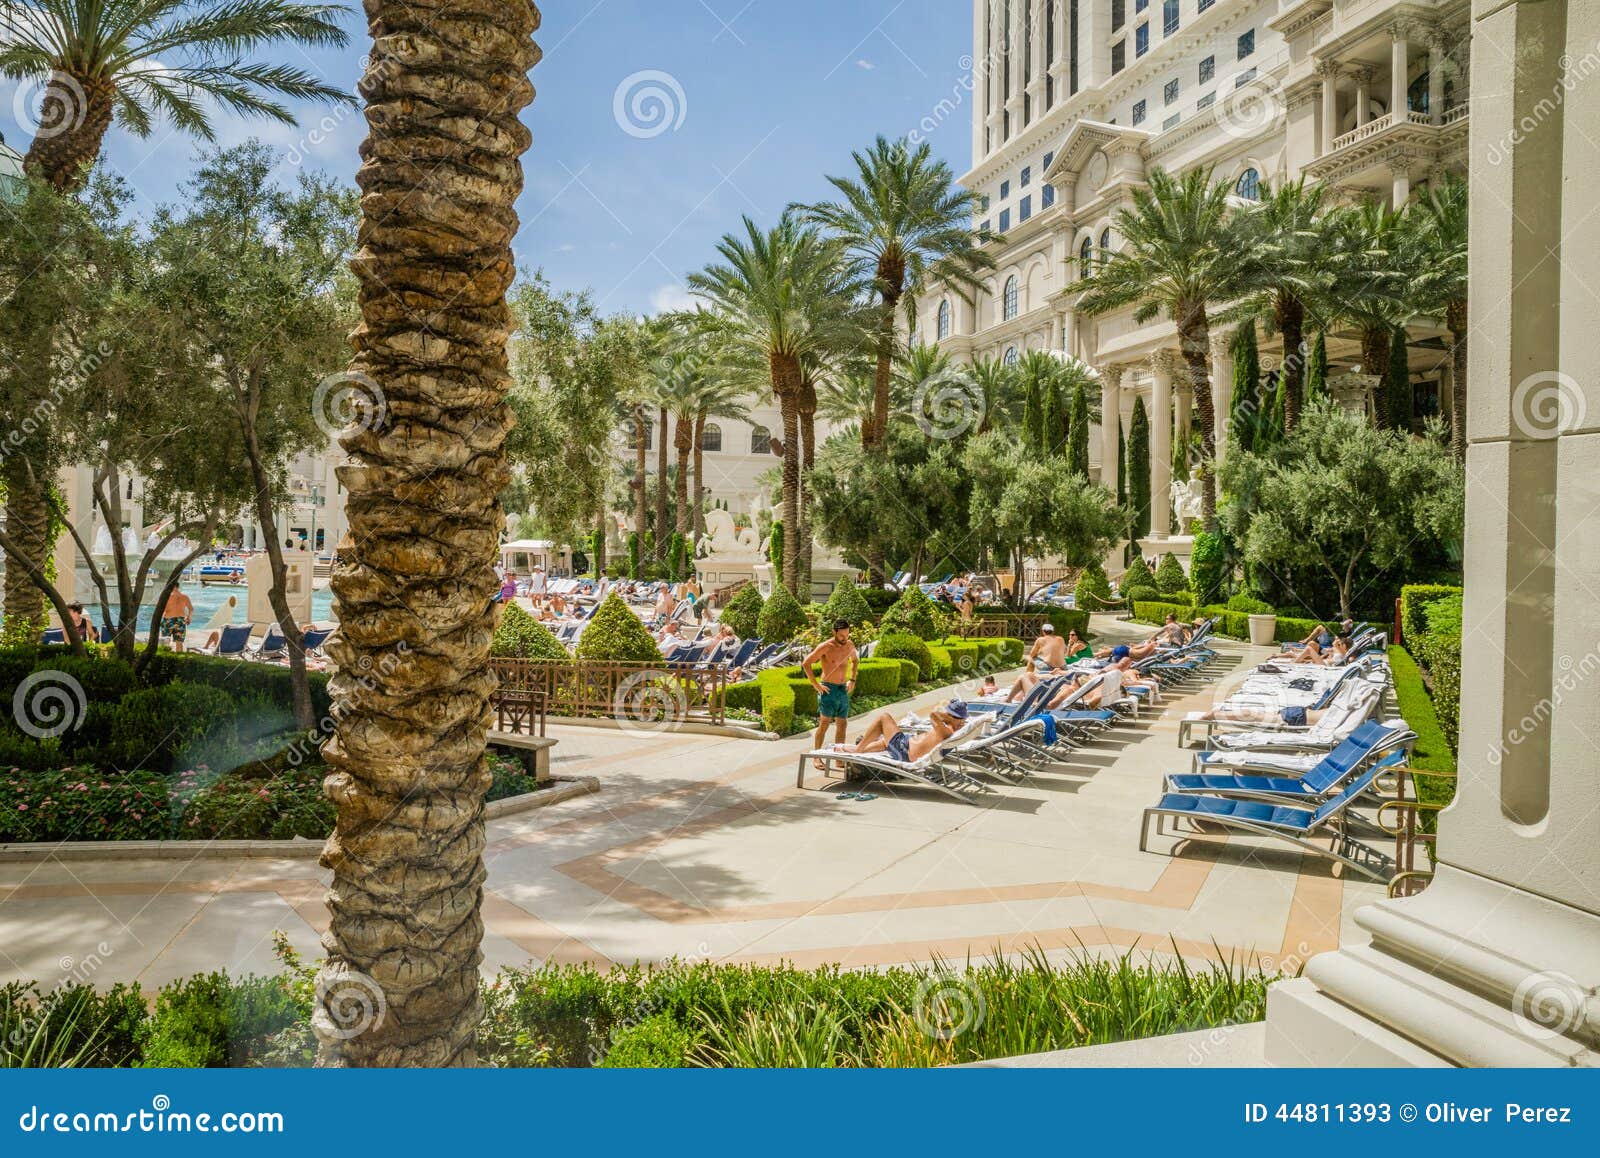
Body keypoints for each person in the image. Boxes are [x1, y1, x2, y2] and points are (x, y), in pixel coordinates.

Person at [804, 620, 859, 768]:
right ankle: (816, 757)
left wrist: (852, 680)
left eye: (847, 634)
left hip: (842, 689)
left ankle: (839, 757)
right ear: (834, 632)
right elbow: (806, 663)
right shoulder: (826, 646)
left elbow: (855, 660)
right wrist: (816, 685)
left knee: (842, 724)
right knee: (824, 723)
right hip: (828, 689)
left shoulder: (849, 645)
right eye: (841, 635)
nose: (845, 638)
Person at [837, 701, 968, 764]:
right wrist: (955, 720)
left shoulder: (945, 731)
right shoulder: (954, 731)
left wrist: (948, 717)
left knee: (884, 717)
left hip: (903, 750)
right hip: (905, 745)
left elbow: (933, 714)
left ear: (951, 716)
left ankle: (857, 751)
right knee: (884, 742)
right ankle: (848, 748)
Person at [159, 585, 194, 652]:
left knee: (166, 642)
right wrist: (189, 618)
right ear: (178, 587)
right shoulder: (185, 597)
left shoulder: (167, 597)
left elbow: (163, 610)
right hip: (180, 621)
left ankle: (166, 660)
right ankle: (178, 660)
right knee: (179, 643)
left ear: (173, 586)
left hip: (168, 620)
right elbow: (191, 609)